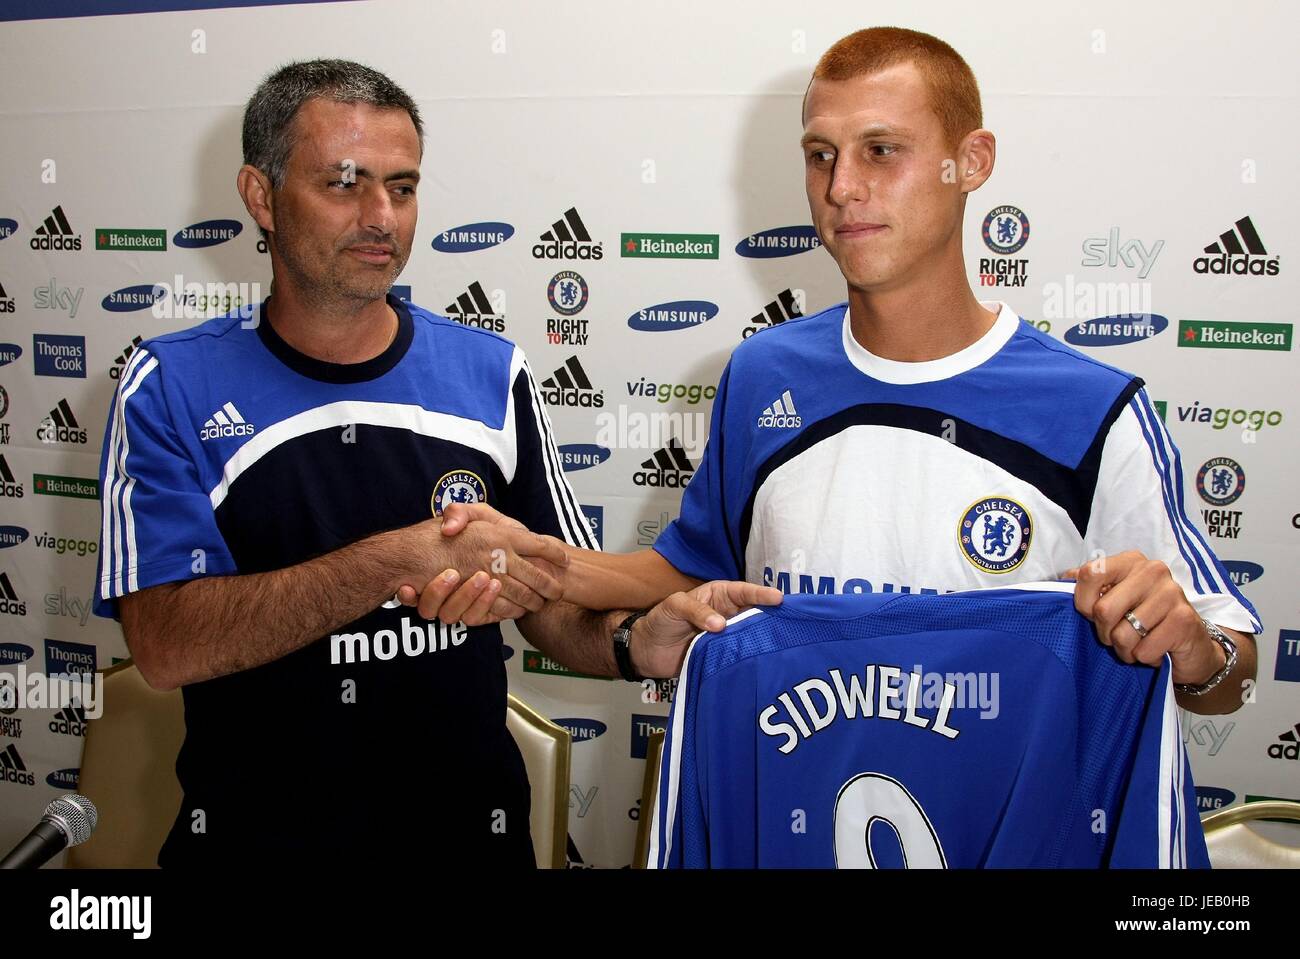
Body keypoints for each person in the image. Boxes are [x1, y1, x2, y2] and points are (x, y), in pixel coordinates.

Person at [420, 27, 1259, 717]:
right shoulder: (762, 372)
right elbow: (693, 572)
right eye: (820, 155)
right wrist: (535, 559)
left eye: (881, 150)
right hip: (790, 817)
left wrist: (1193, 647)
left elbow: (1230, 676)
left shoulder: (1092, 407)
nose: (842, 187)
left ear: (971, 161)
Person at [94, 59, 772, 868]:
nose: (381, 216)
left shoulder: (490, 373)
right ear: (260, 195)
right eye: (344, 184)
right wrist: (398, 559)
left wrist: (633, 645)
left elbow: (549, 599)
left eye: (403, 187)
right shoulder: (171, 384)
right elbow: (167, 642)